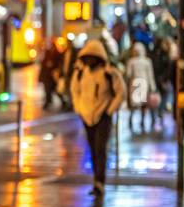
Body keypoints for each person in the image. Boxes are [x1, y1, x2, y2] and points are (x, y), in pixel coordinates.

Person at [69, 39, 125, 195]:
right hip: (87, 115)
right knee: (93, 149)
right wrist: (79, 108)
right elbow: (75, 91)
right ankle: (96, 180)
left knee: (101, 148)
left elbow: (121, 92)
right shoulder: (80, 73)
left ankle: (100, 181)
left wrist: (109, 110)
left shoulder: (109, 73)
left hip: (103, 115)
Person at [124, 42, 158, 134]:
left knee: (136, 105)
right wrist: (153, 87)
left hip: (136, 84)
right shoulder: (146, 61)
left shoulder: (132, 61)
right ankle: (140, 121)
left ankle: (133, 121)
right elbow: (150, 75)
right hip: (143, 83)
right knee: (142, 104)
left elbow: (128, 74)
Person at [39, 38, 65, 110]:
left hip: (53, 75)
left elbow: (59, 63)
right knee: (48, 90)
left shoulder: (57, 53)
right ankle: (48, 102)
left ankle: (62, 102)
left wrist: (54, 67)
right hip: (47, 75)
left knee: (56, 89)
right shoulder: (47, 52)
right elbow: (43, 63)